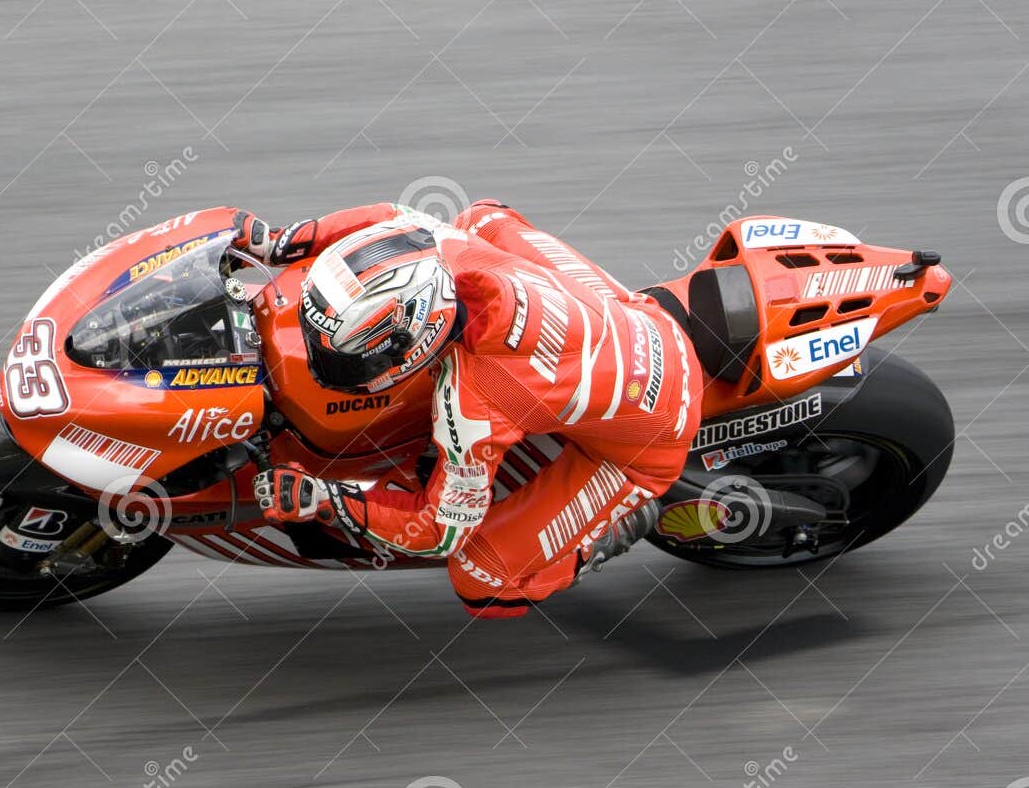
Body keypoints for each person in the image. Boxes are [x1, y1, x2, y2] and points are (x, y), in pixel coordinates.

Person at [234, 200, 702, 619]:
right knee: (481, 217)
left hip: (654, 432)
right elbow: (385, 216)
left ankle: (621, 525)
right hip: (635, 314)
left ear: (413, 341)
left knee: (480, 580)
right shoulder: (438, 248)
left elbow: (441, 531)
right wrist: (278, 242)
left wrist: (327, 500)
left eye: (352, 357)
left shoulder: (472, 403)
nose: (325, 363)